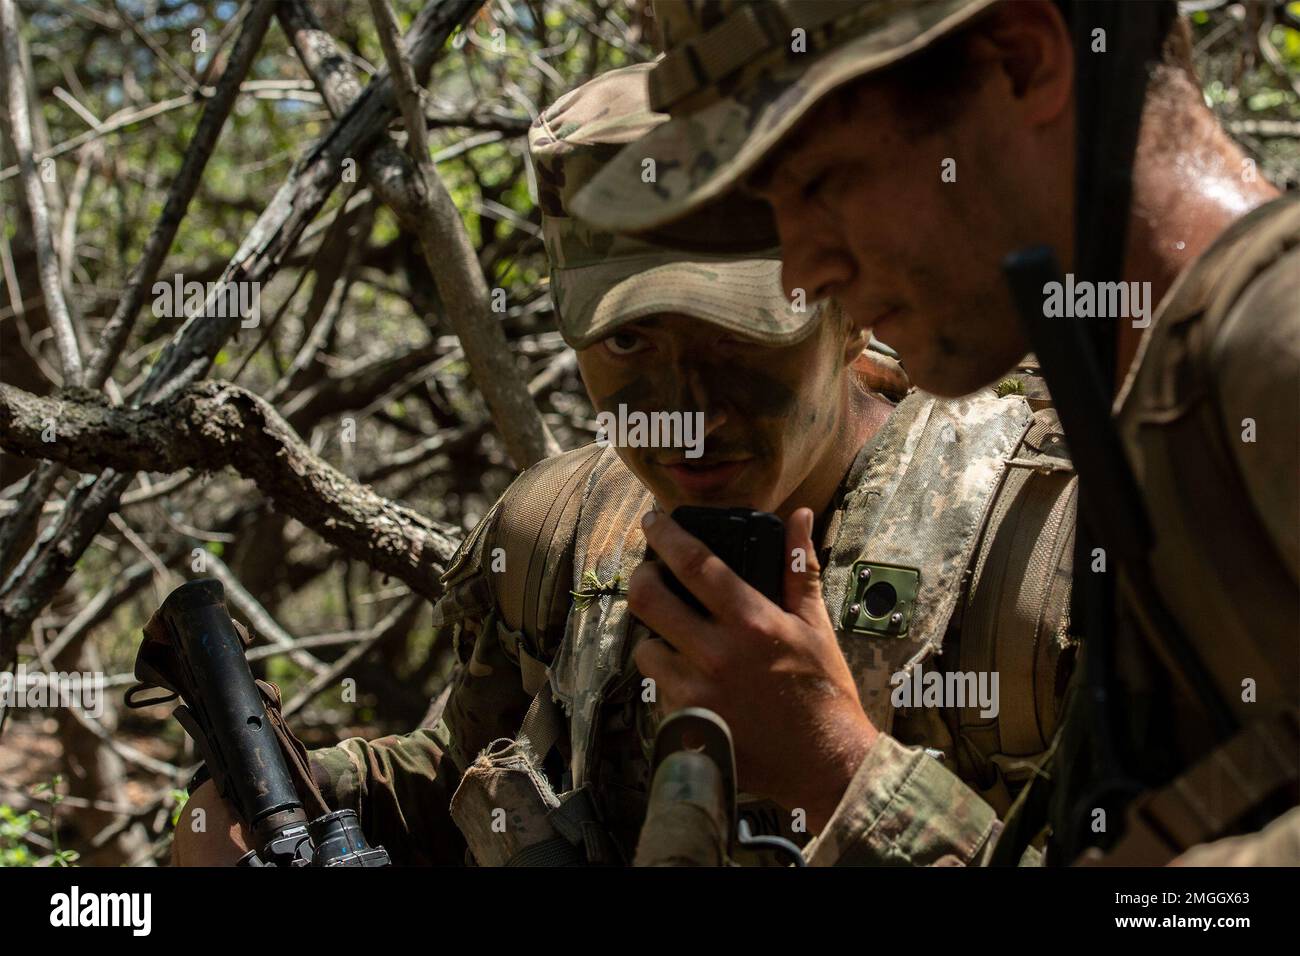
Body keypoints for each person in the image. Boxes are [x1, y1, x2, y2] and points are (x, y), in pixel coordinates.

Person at [173, 61, 1078, 866]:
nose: (686, 413)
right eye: (631, 341)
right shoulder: (558, 534)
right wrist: (294, 800)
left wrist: (840, 772)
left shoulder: (1043, 568)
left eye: (736, 339)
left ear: (851, 308)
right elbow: (452, 777)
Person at [572, 0, 1299, 864]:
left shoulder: (1274, 348)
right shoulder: (1158, 413)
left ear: (1022, 63)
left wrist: (847, 774)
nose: (804, 266)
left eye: (823, 181)